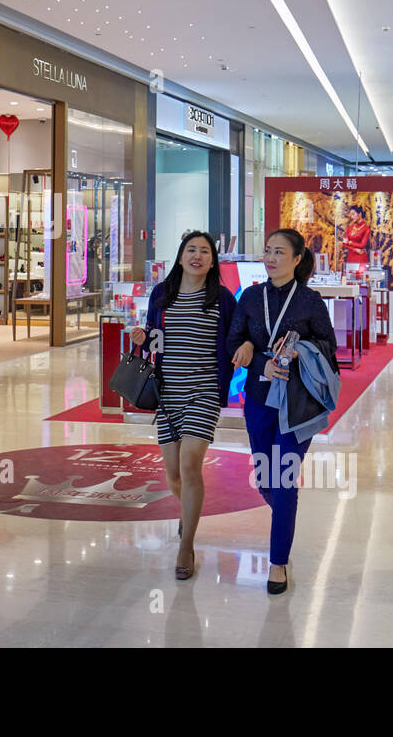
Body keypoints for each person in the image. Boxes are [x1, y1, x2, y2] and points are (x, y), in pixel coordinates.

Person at [226, 229, 338, 595]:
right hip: (258, 399)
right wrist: (253, 354)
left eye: (279, 252)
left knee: (285, 479)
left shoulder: (310, 300)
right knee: (265, 479)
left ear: (296, 258)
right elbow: (233, 338)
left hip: (297, 403)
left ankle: (278, 563)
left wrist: (297, 348)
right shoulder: (252, 296)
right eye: (267, 251)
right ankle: (283, 517)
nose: (271, 258)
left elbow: (329, 347)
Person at [129, 232, 238, 582]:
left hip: (204, 391)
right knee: (174, 474)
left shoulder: (222, 298)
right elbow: (152, 335)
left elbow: (235, 337)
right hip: (167, 393)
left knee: (191, 466)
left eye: (205, 251)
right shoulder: (162, 293)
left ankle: (186, 546)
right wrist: (141, 339)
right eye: (191, 250)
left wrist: (246, 349)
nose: (197, 256)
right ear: (180, 257)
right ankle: (186, 513)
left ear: (212, 261)